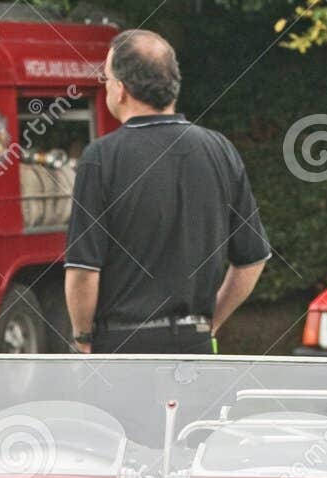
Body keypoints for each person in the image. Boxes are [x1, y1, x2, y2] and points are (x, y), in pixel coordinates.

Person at [64, 29, 270, 354]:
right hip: (195, 346)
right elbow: (253, 259)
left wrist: (82, 338)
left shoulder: (100, 159)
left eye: (106, 78)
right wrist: (210, 322)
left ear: (121, 90)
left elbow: (83, 271)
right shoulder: (220, 150)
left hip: (121, 350)